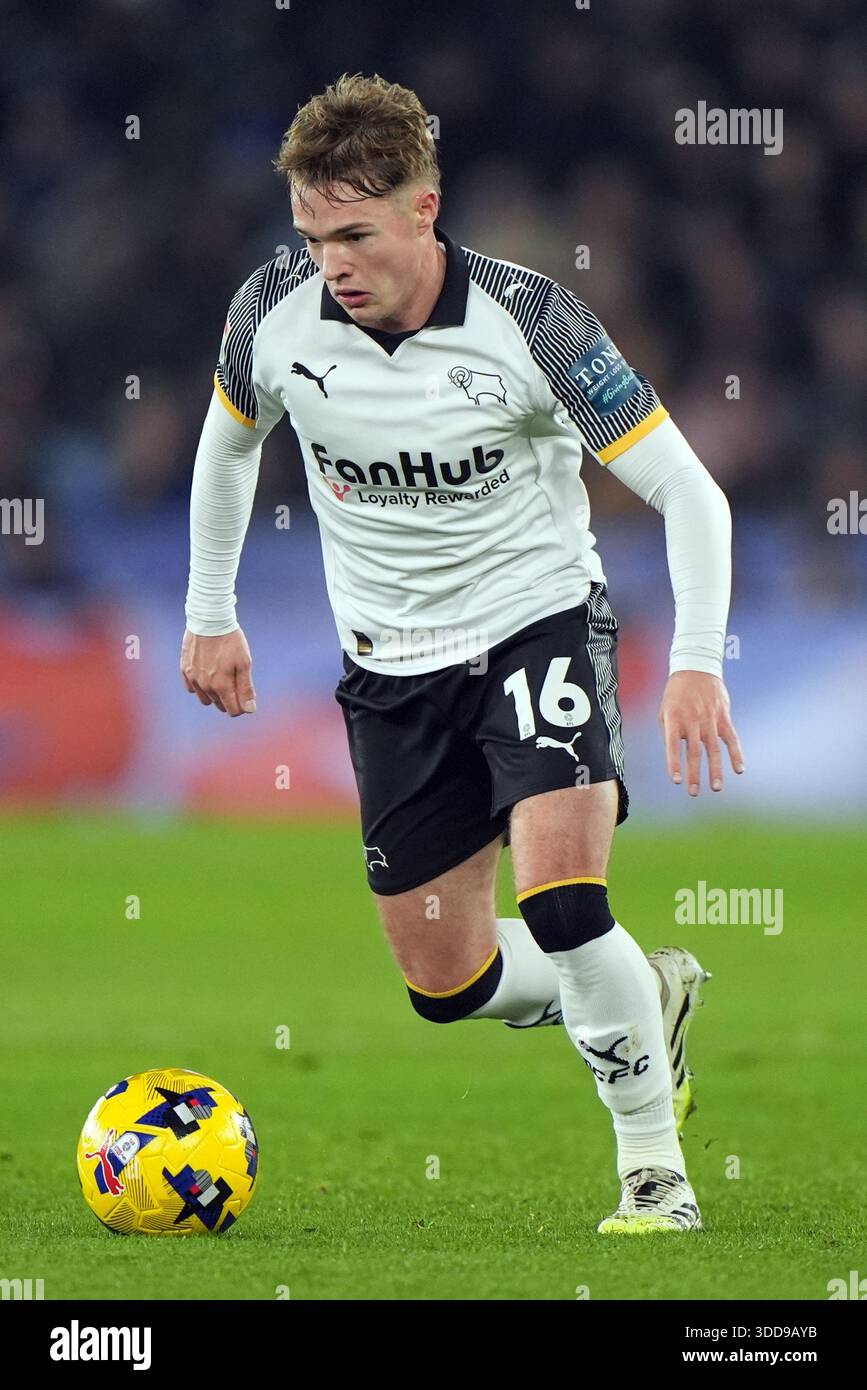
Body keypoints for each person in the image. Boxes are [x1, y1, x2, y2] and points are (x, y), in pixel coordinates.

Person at [181, 72, 744, 1234]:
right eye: (310, 233)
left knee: (565, 900)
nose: (329, 261)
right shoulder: (274, 312)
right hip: (393, 665)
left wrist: (696, 656)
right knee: (448, 982)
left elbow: (687, 490)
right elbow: (228, 447)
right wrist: (208, 611)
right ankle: (648, 995)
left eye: (354, 233)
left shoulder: (534, 323)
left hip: (536, 620)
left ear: (425, 210)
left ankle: (656, 1173)